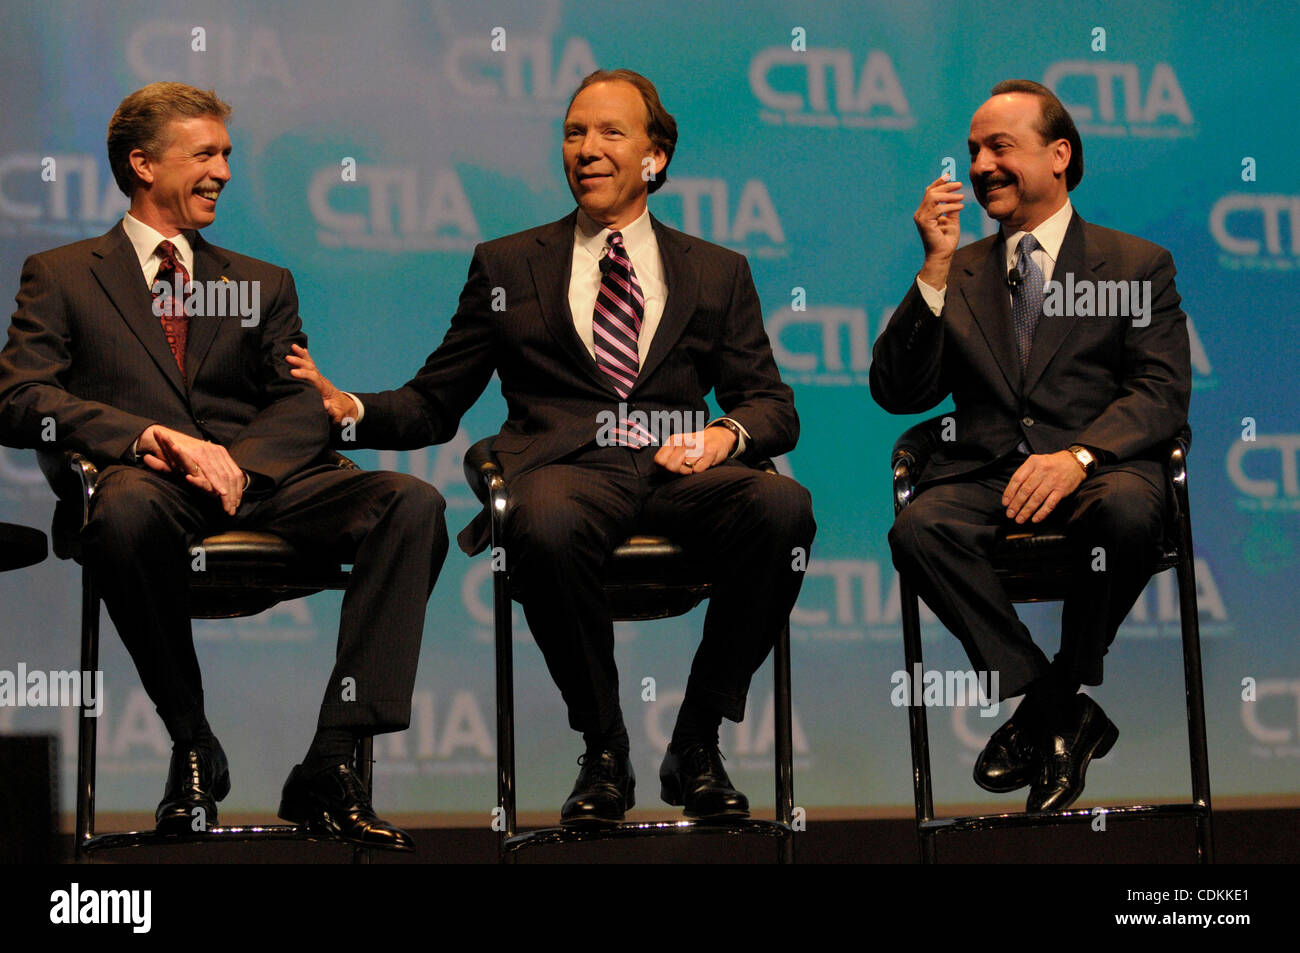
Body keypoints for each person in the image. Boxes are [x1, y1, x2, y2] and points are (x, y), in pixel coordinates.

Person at [289, 69, 815, 826]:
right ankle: (605, 746)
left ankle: (697, 740)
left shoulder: (716, 269)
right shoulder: (508, 265)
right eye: (574, 133)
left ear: (654, 157)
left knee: (782, 506)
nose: (586, 149)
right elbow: (434, 404)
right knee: (540, 519)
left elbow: (771, 405)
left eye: (609, 133)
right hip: (564, 472)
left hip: (677, 468)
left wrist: (723, 436)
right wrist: (349, 410)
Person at [0, 82, 445, 849]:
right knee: (122, 511)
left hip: (266, 486)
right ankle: (193, 741)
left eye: (228, 154)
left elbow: (303, 402)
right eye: (205, 153)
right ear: (142, 163)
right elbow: (19, 397)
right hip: (148, 486)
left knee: (413, 502)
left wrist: (234, 463)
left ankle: (331, 760)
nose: (225, 172)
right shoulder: (64, 274)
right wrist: (151, 438)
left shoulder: (262, 282)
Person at [870, 80, 1191, 812]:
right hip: (986, 473)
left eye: (1000, 147)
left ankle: (1051, 700)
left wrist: (1080, 456)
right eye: (975, 150)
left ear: (1059, 154)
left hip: (1101, 471)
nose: (980, 165)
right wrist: (933, 270)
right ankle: (1059, 712)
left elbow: (1159, 393)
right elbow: (897, 389)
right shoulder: (963, 269)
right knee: (920, 527)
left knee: (1129, 515)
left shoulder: (1134, 264)